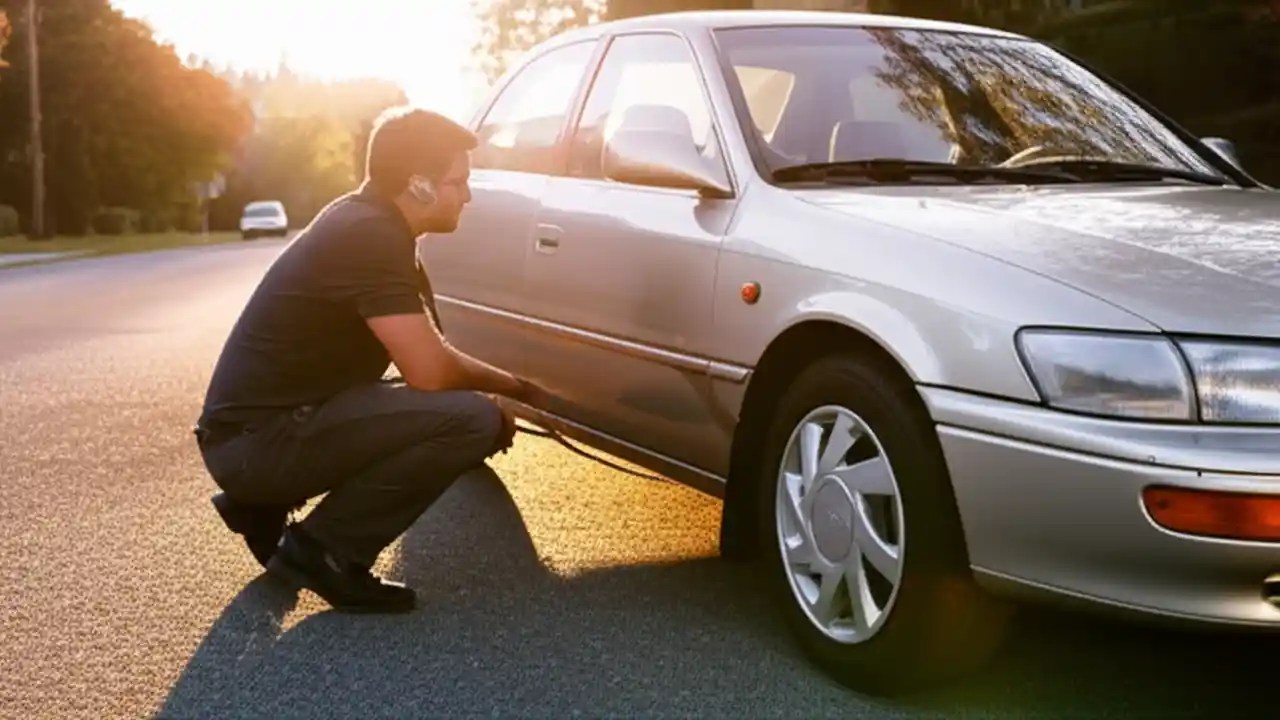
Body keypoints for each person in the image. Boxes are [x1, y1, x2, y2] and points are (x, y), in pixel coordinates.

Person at [194, 106, 546, 614]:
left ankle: (262, 505)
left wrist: (483, 388)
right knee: (472, 420)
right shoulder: (370, 236)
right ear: (419, 186)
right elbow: (430, 371)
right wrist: (516, 388)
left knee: (472, 410)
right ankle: (325, 552)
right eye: (458, 182)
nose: (467, 195)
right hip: (259, 444)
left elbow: (427, 357)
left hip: (262, 433)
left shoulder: (372, 222)